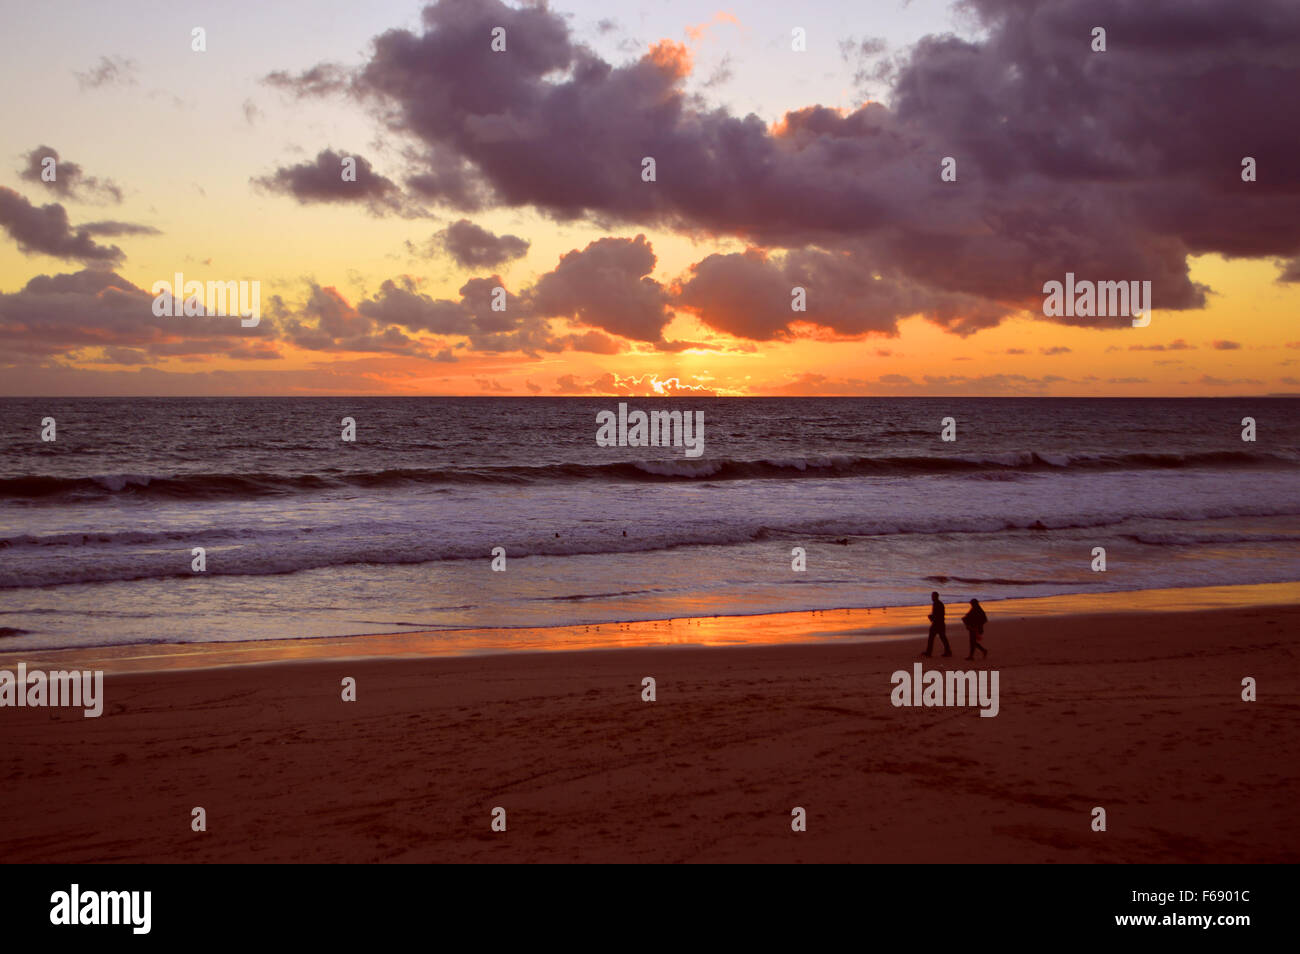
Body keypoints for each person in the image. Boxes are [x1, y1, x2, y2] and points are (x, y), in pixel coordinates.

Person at [922, 591, 952, 657]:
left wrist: (931, 617)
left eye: (932, 596)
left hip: (937, 624)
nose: (932, 597)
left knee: (932, 638)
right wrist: (932, 617)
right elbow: (940, 614)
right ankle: (948, 651)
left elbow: (938, 615)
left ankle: (929, 653)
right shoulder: (939, 603)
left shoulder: (937, 604)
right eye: (932, 596)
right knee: (942, 637)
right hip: (940, 623)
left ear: (936, 597)